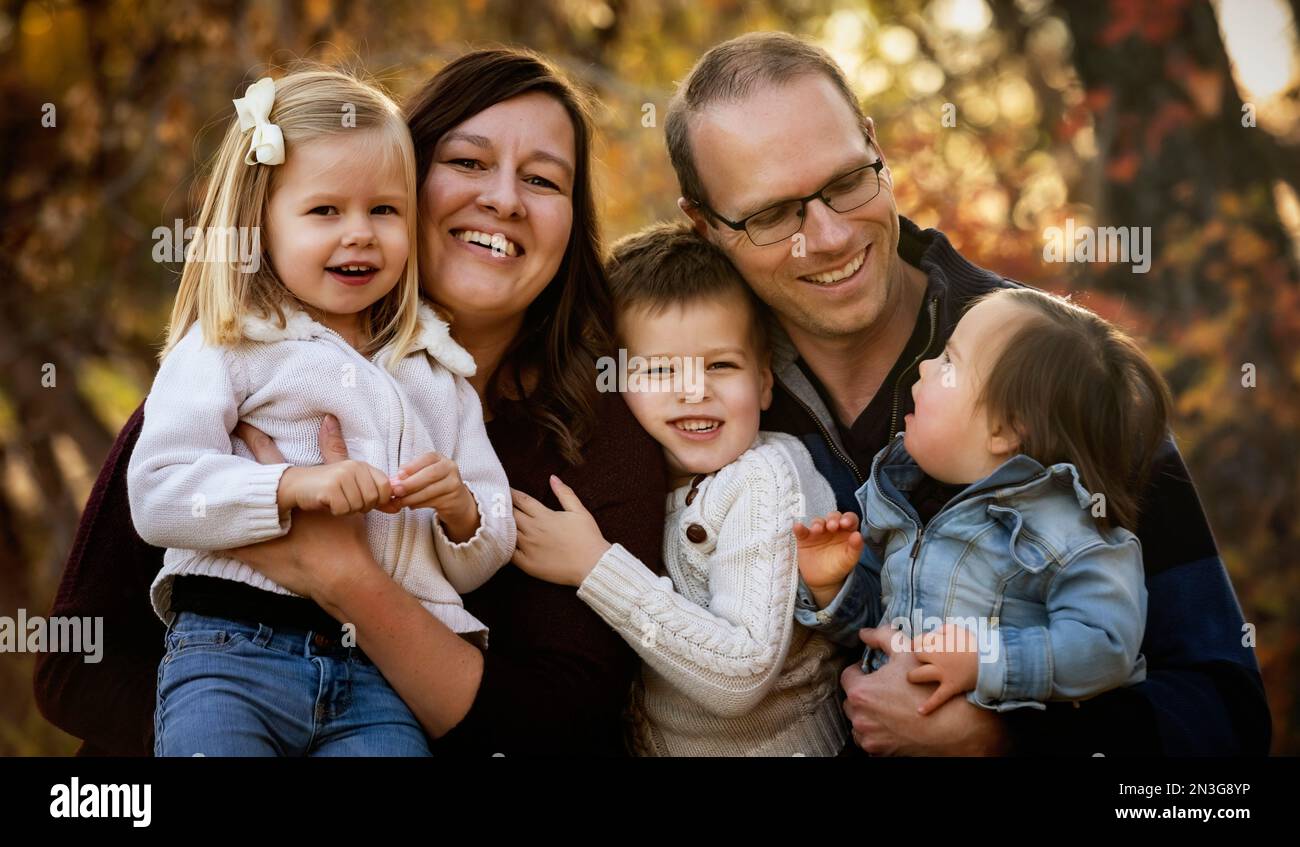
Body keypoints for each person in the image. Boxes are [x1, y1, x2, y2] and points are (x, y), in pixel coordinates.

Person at [34, 48, 667, 757]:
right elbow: (75, 667)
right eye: (466, 162)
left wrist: (347, 578)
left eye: (544, 180)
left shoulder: (600, 432)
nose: (505, 199)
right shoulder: (240, 353)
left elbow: (559, 726)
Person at [665, 31, 1269, 755]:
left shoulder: (1053, 369)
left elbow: (1226, 714)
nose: (826, 236)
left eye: (848, 181)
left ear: (873, 141)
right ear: (703, 225)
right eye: (771, 216)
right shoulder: (685, 395)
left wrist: (1001, 738)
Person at [127, 68, 515, 756]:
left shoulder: (435, 370)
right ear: (261, 224)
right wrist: (287, 486)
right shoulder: (230, 340)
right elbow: (158, 490)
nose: (360, 234)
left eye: (385, 210)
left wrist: (459, 511)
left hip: (379, 678)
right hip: (231, 650)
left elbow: (484, 547)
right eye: (325, 211)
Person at [509, 221, 851, 755]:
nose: (694, 390)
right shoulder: (643, 480)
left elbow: (742, 672)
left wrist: (594, 566)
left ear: (764, 380)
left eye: (721, 364)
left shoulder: (762, 479)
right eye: (662, 369)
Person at [797, 286, 1170, 717]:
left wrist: (985, 662)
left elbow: (1105, 647)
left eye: (950, 362)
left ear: (1006, 430)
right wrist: (833, 588)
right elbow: (880, 626)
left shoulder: (1068, 534)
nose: (924, 366)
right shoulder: (907, 501)